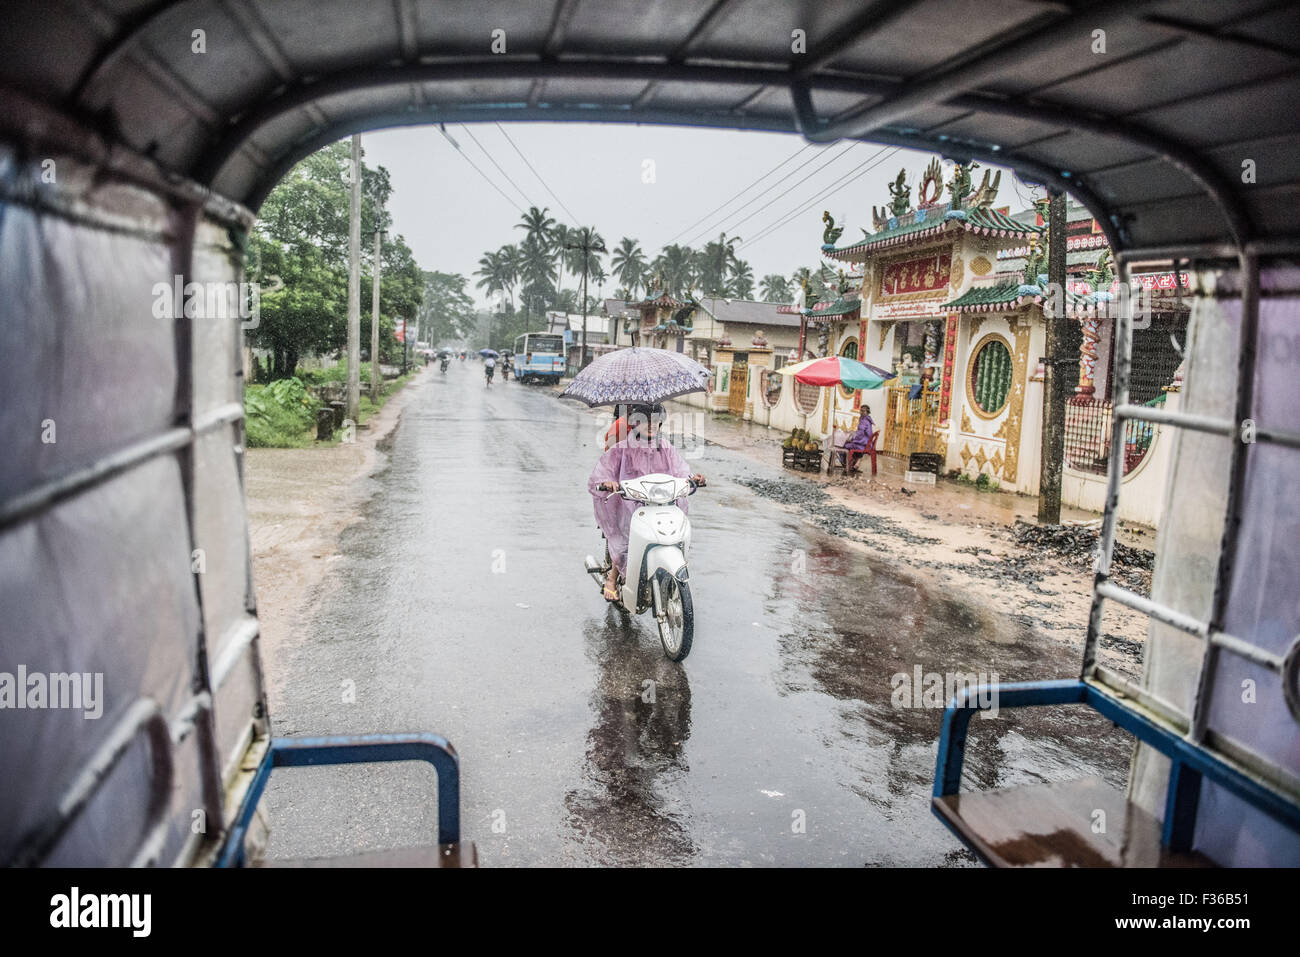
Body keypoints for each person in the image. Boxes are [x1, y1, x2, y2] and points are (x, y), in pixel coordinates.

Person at [589, 404, 705, 601]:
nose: (651, 425)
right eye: (645, 420)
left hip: (661, 502)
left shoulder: (666, 447)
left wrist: (693, 478)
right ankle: (612, 577)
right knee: (627, 535)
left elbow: (680, 470)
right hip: (630, 503)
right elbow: (603, 472)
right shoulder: (622, 448)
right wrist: (607, 483)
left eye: (655, 420)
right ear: (635, 422)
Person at [842, 405, 877, 475]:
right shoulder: (866, 419)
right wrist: (853, 433)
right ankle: (855, 464)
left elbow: (860, 434)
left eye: (863, 411)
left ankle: (847, 465)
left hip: (864, 444)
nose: (861, 412)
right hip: (866, 443)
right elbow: (860, 432)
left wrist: (851, 439)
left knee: (845, 445)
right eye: (861, 410)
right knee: (850, 443)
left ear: (867, 412)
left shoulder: (864, 421)